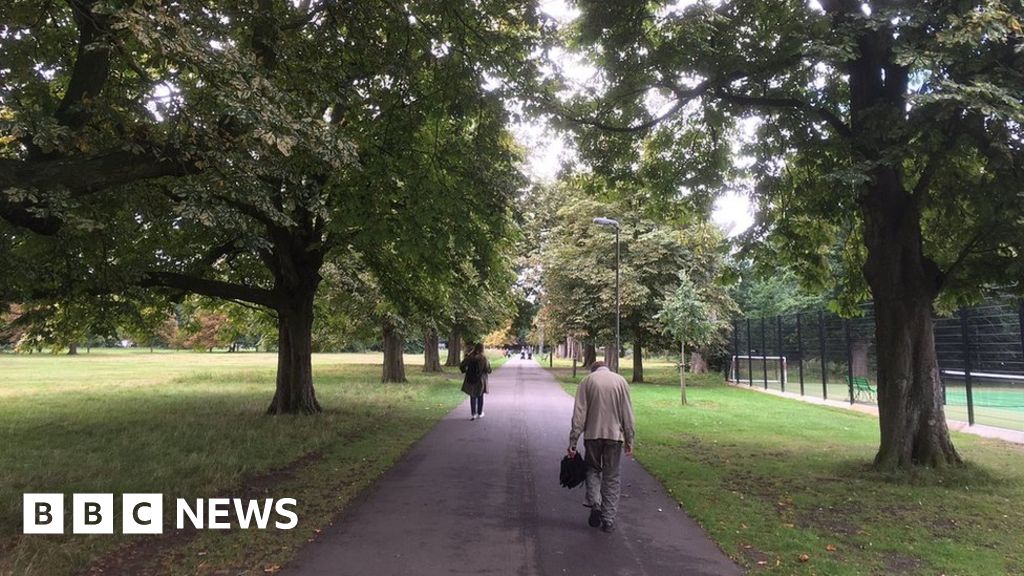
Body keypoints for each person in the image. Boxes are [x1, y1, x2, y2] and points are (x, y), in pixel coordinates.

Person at [567, 360, 635, 533]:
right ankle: (608, 519)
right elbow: (628, 413)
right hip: (614, 436)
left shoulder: (587, 381)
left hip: (592, 435)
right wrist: (629, 439)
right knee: (612, 477)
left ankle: (595, 503)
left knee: (592, 470)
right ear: (608, 368)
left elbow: (579, 414)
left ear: (593, 369)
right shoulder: (621, 381)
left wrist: (573, 440)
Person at [460, 343, 492, 420]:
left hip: (470, 379)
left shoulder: (469, 357)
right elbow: (488, 369)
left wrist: (465, 371)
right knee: (480, 396)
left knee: (472, 395)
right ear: (482, 349)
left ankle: (473, 413)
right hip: (480, 379)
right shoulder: (483, 358)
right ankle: (480, 413)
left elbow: (462, 365)